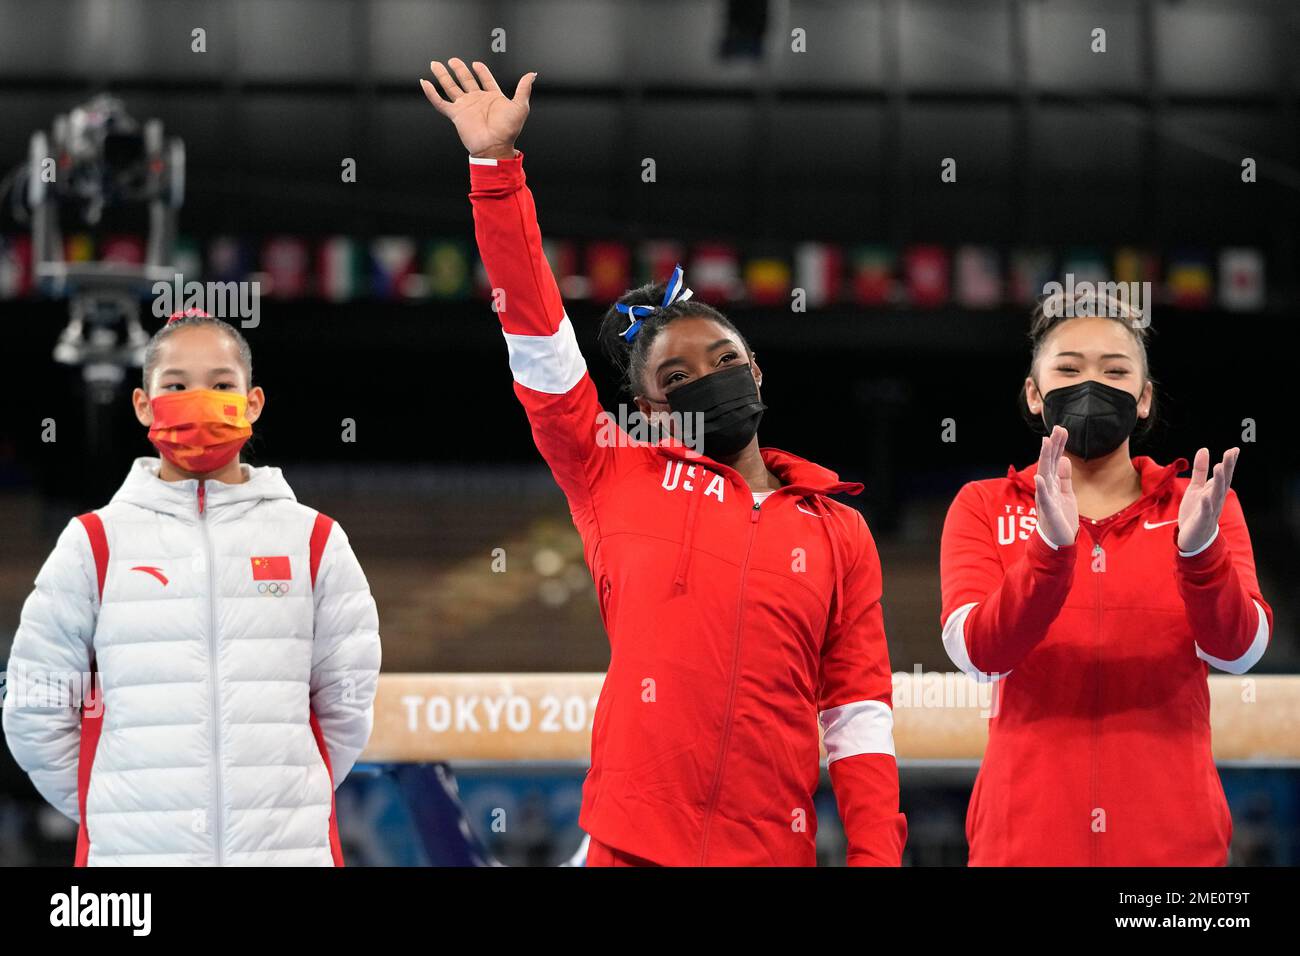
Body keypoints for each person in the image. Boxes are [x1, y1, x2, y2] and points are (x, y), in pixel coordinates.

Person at [420, 58, 907, 866]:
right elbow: (537, 338)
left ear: (756, 371)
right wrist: (494, 172)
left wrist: (877, 858)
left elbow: (857, 712)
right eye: (677, 378)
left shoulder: (839, 531)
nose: (707, 378)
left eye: (724, 358)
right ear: (647, 414)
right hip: (629, 845)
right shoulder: (612, 472)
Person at [2, 309, 382, 865]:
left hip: (284, 852)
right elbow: (35, 707)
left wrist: (280, 803)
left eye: (221, 385)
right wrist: (121, 809)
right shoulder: (94, 542)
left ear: (252, 402)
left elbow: (346, 706)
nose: (199, 399)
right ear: (143, 404)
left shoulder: (314, 540)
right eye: (176, 385)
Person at [939, 289, 1271, 865]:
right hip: (1024, 843)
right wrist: (1049, 550)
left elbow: (1240, 652)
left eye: (1115, 370)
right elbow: (979, 656)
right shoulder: (983, 505)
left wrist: (1200, 557)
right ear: (1035, 393)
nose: (1091, 383)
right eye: (1068, 368)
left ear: (1143, 399)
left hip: (1173, 849)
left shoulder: (1199, 506)